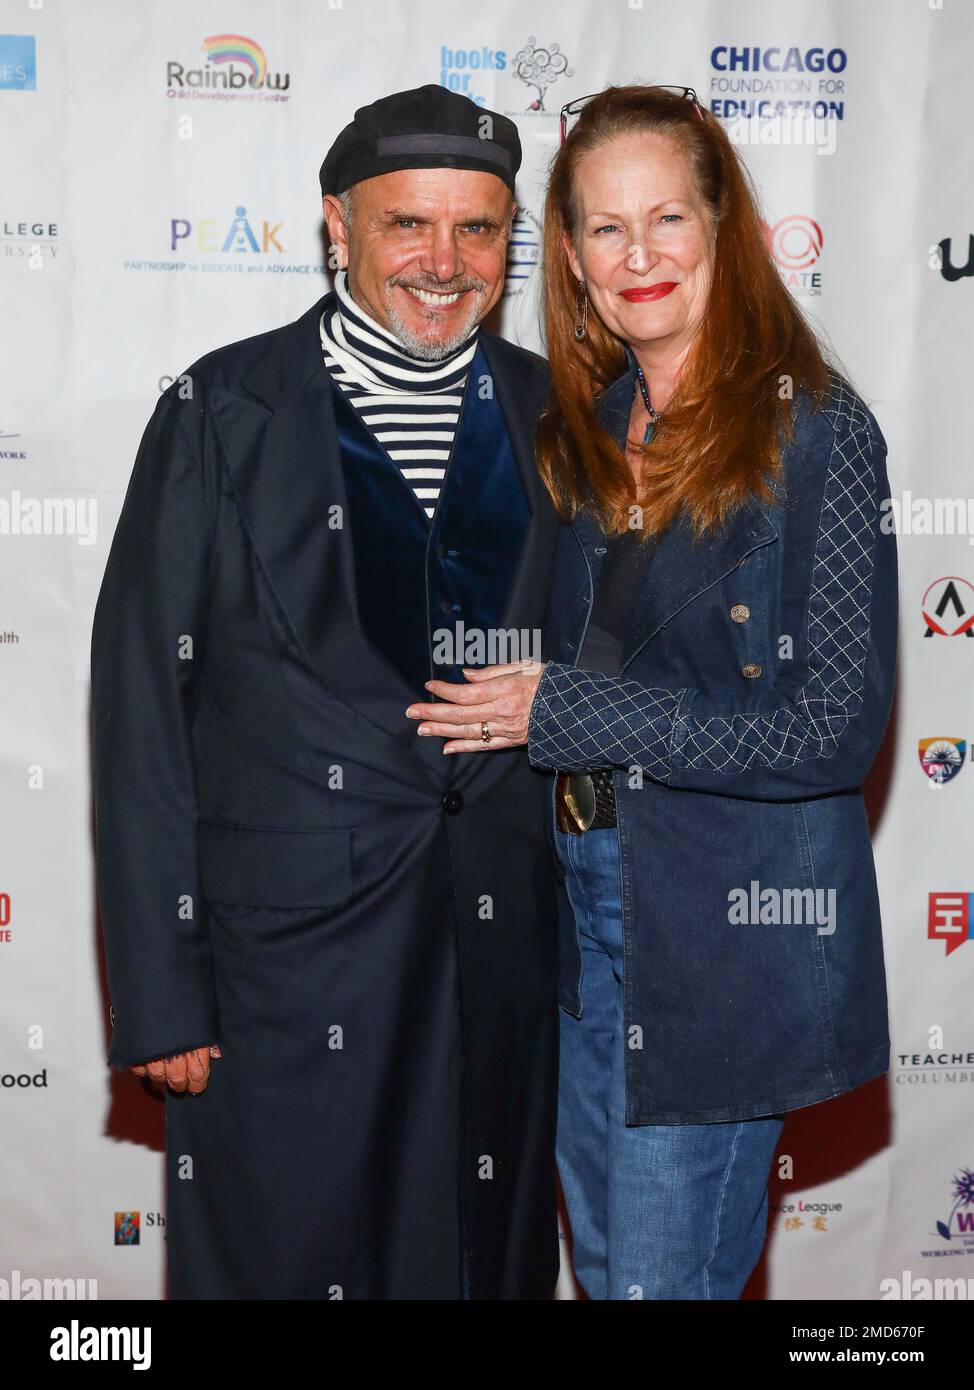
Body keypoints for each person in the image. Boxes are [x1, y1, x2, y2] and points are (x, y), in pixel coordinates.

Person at [406, 84, 897, 1300]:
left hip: (719, 933)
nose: (638, 257)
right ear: (566, 255)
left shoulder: (816, 431)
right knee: (616, 1267)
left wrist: (561, 710)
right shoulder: (588, 428)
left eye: (666, 219)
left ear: (722, 229)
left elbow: (831, 728)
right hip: (583, 924)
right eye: (605, 230)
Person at [90, 84, 562, 1300]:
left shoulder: (559, 415)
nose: (444, 263)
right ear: (335, 226)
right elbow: (143, 711)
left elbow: (599, 679)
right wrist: (160, 993)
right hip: (281, 982)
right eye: (408, 224)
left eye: (477, 230)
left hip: (497, 969)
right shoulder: (220, 411)